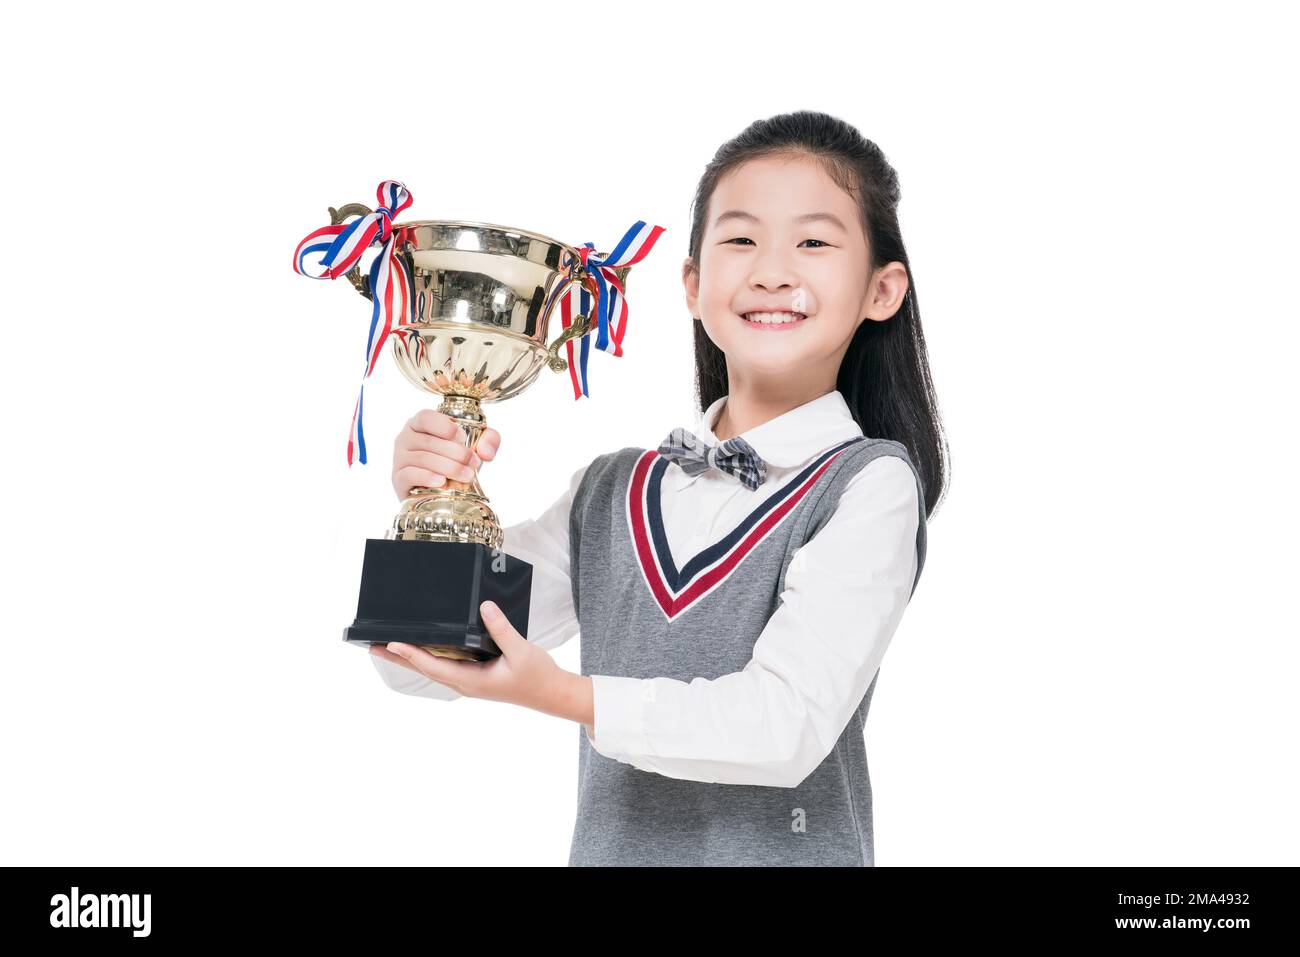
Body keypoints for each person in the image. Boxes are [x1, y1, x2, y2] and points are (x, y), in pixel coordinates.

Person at [370, 109, 949, 866]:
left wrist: (566, 695)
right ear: (692, 284)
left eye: (813, 242)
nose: (772, 271)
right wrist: (431, 505)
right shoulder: (610, 491)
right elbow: (417, 660)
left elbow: (785, 726)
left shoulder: (867, 485)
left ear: (883, 289)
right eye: (741, 239)